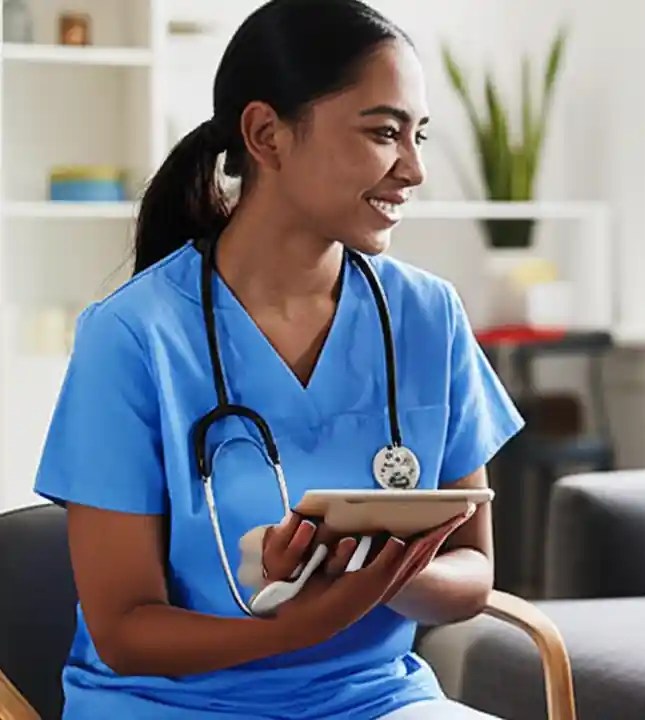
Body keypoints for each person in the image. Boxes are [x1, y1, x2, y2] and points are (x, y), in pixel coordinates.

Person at [31, 1, 523, 718]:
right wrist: (303, 624)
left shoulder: (427, 315)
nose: (413, 169)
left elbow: (472, 573)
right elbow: (124, 631)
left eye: (417, 135)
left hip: (375, 701)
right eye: (383, 132)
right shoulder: (134, 337)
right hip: (168, 708)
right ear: (266, 133)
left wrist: (370, 572)